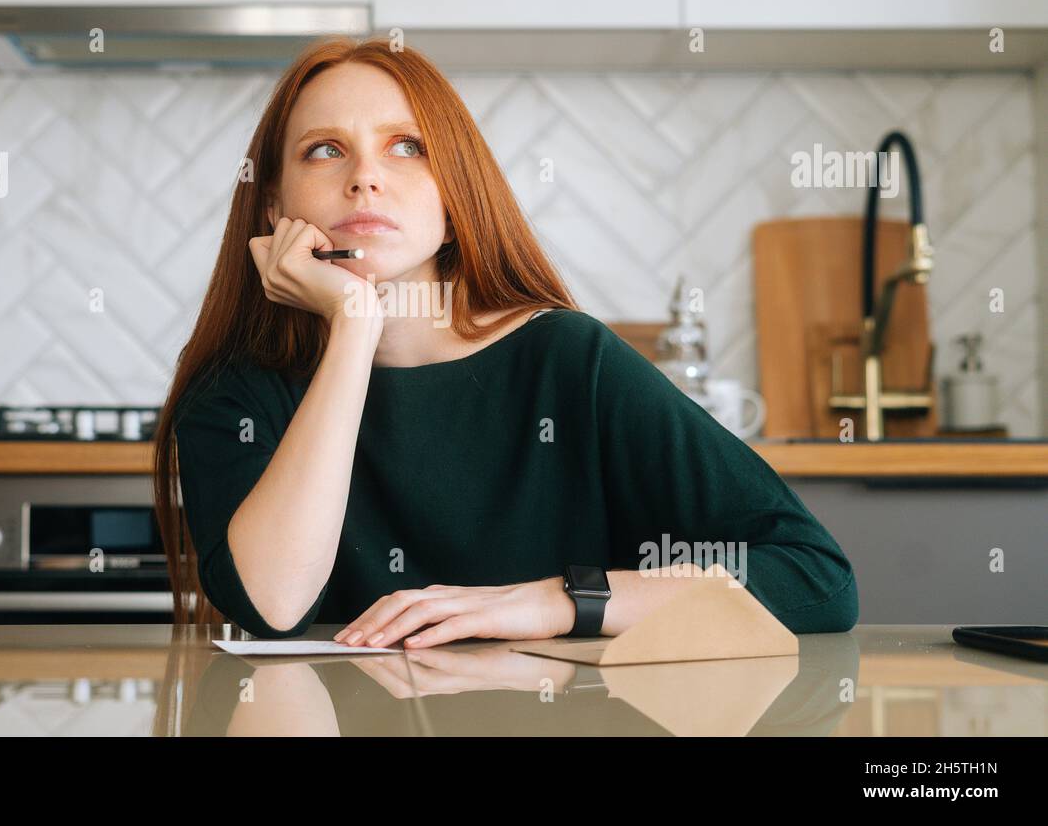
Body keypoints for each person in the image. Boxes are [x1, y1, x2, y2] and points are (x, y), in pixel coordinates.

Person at [153, 36, 858, 648]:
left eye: (407, 147)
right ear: (275, 207)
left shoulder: (569, 362)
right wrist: (354, 329)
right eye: (325, 150)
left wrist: (555, 601)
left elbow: (813, 578)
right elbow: (274, 604)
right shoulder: (236, 391)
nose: (364, 176)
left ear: (456, 198)